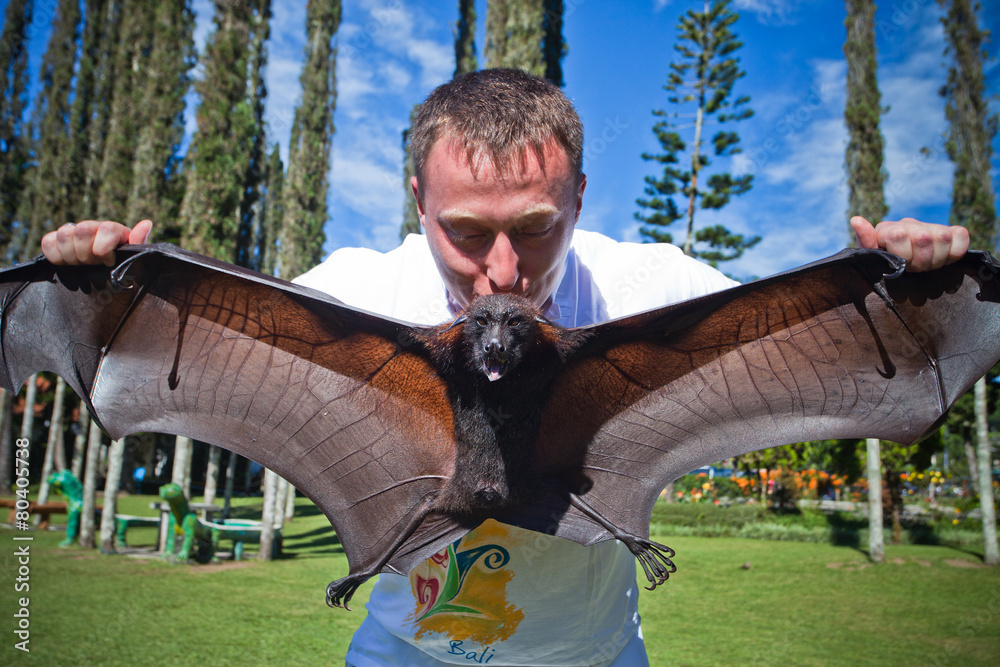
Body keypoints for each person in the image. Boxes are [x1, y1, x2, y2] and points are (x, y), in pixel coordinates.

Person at [41, 69, 969, 666]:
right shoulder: (350, 298)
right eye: (465, 234)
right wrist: (100, 297)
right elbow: (210, 334)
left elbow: (794, 332)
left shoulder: (650, 286)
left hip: (595, 655)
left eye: (535, 229)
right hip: (406, 653)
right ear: (418, 202)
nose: (501, 270)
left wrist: (903, 293)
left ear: (579, 198)